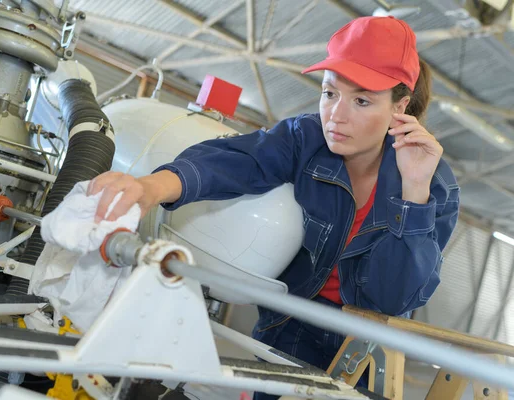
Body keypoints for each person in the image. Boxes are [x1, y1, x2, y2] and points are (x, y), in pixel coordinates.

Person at [87, 15, 460, 399]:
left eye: (362, 100)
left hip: (367, 349)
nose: (336, 115)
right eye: (330, 93)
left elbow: (392, 298)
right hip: (292, 326)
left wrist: (414, 193)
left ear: (401, 107)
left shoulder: (435, 185)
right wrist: (152, 186)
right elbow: (241, 160)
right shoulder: (307, 137)